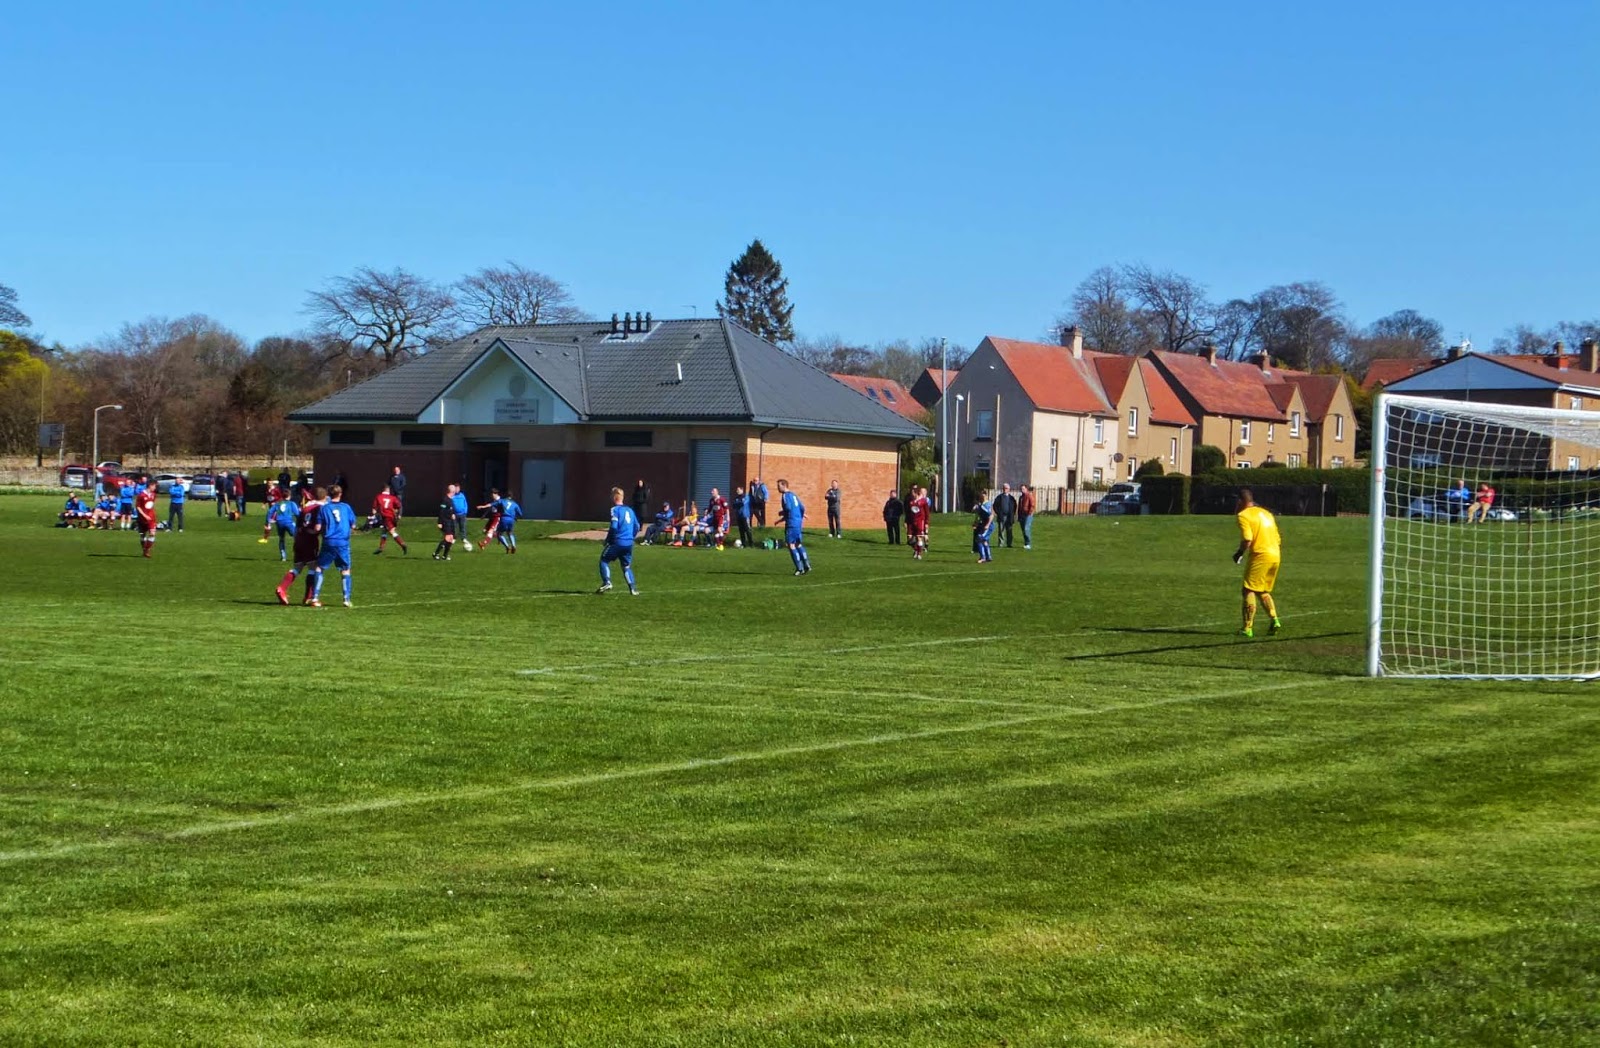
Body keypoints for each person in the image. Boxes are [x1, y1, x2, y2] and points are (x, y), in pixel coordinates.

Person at [1232, 487, 1282, 638]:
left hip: (1261, 555)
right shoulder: (1266, 513)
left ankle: (1247, 628)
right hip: (1275, 554)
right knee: (1262, 591)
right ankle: (1275, 620)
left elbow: (1248, 539)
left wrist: (1239, 553)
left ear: (1241, 501)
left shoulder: (1243, 515)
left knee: (1248, 589)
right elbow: (1278, 538)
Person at [309, 484, 358, 608]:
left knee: (320, 568)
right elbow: (353, 525)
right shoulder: (346, 507)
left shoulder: (324, 508)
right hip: (343, 542)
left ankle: (315, 598)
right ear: (340, 494)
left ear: (328, 496)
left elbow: (318, 527)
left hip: (329, 541)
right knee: (345, 569)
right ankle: (346, 599)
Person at [276, 487, 325, 605]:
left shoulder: (305, 508)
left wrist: (297, 540)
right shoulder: (320, 508)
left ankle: (282, 588)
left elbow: (297, 527)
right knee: (313, 568)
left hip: (299, 540)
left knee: (297, 568)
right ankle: (308, 597)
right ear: (323, 497)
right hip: (310, 541)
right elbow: (319, 526)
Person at [597, 486, 640, 596]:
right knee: (626, 566)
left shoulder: (615, 510)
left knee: (604, 560)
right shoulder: (630, 510)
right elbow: (637, 526)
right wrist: (631, 537)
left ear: (614, 497)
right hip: (629, 543)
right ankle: (633, 589)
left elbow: (614, 527)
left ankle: (607, 582)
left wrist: (608, 540)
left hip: (618, 541)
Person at [776, 478, 811, 576]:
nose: (777, 488)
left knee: (791, 545)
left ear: (784, 485)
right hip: (798, 523)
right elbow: (802, 507)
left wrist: (781, 513)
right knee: (798, 544)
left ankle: (799, 569)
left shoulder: (785, 496)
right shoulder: (794, 495)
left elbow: (788, 508)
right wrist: (801, 516)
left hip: (791, 523)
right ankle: (807, 564)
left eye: (778, 486)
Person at [371, 483, 408, 554]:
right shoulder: (392, 497)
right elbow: (399, 506)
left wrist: (374, 515)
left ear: (382, 490)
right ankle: (381, 548)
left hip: (386, 517)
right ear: (388, 490)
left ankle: (402, 544)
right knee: (384, 531)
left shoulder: (379, 497)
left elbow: (374, 510)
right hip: (392, 517)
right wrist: (398, 513)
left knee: (392, 532)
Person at [266, 490, 297, 562]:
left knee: (281, 538)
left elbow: (270, 512)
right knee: (297, 538)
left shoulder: (278, 504)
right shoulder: (291, 503)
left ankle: (283, 556)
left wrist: (268, 521)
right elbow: (297, 514)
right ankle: (297, 555)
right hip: (289, 522)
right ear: (289, 496)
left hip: (279, 523)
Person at [906, 484, 931, 560]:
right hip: (911, 522)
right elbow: (909, 512)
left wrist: (926, 523)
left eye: (913, 492)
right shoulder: (910, 501)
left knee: (919, 537)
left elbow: (927, 513)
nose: (912, 493)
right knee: (909, 539)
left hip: (920, 522)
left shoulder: (923, 501)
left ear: (917, 493)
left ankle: (919, 553)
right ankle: (916, 549)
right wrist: (906, 521)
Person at [134, 479, 158, 558]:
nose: (155, 488)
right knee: (142, 535)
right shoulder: (141, 495)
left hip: (151, 517)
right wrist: (144, 515)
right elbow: (138, 507)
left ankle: (147, 550)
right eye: (154, 486)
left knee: (152, 533)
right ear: (150, 485)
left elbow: (150, 506)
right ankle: (144, 550)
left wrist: (151, 515)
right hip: (142, 518)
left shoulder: (154, 495)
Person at [433, 489, 457, 560]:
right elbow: (441, 511)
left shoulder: (451, 500)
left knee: (451, 538)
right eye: (454, 491)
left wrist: (452, 514)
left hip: (450, 521)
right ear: (451, 492)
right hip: (445, 521)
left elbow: (451, 510)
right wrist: (439, 522)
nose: (455, 493)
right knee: (447, 537)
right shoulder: (445, 500)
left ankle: (445, 555)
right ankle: (436, 553)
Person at [992, 483, 1018, 548]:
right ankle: (1001, 544)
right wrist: (998, 513)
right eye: (1003, 488)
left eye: (1006, 488)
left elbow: (1015, 506)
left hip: (1009, 517)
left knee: (1009, 531)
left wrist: (1013, 513)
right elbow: (995, 506)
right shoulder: (999, 497)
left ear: (1009, 489)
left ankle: (1009, 544)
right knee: (1001, 531)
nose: (1004, 489)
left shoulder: (1011, 498)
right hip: (1001, 516)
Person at [972, 493, 995, 564]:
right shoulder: (980, 505)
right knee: (984, 540)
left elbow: (991, 515)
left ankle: (983, 557)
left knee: (979, 538)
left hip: (989, 525)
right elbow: (979, 515)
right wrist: (976, 523)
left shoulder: (986, 505)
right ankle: (988, 557)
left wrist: (987, 525)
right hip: (984, 524)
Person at [449, 484, 472, 551]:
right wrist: (452, 512)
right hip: (455, 515)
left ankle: (464, 538)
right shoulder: (452, 496)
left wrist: (465, 511)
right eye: (455, 488)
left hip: (462, 514)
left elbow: (465, 503)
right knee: (454, 528)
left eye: (458, 488)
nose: (456, 490)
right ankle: (452, 540)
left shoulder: (462, 495)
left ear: (459, 489)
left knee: (463, 527)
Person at [1017, 484, 1037, 550]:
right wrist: (1019, 516)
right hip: (1022, 515)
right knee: (1023, 530)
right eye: (1021, 489)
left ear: (1026, 489)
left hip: (1028, 515)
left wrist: (1029, 513)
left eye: (1023, 489)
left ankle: (1028, 543)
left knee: (1026, 528)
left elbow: (1032, 505)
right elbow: (1019, 507)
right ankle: (1026, 543)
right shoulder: (1021, 497)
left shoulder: (1029, 495)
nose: (1022, 490)